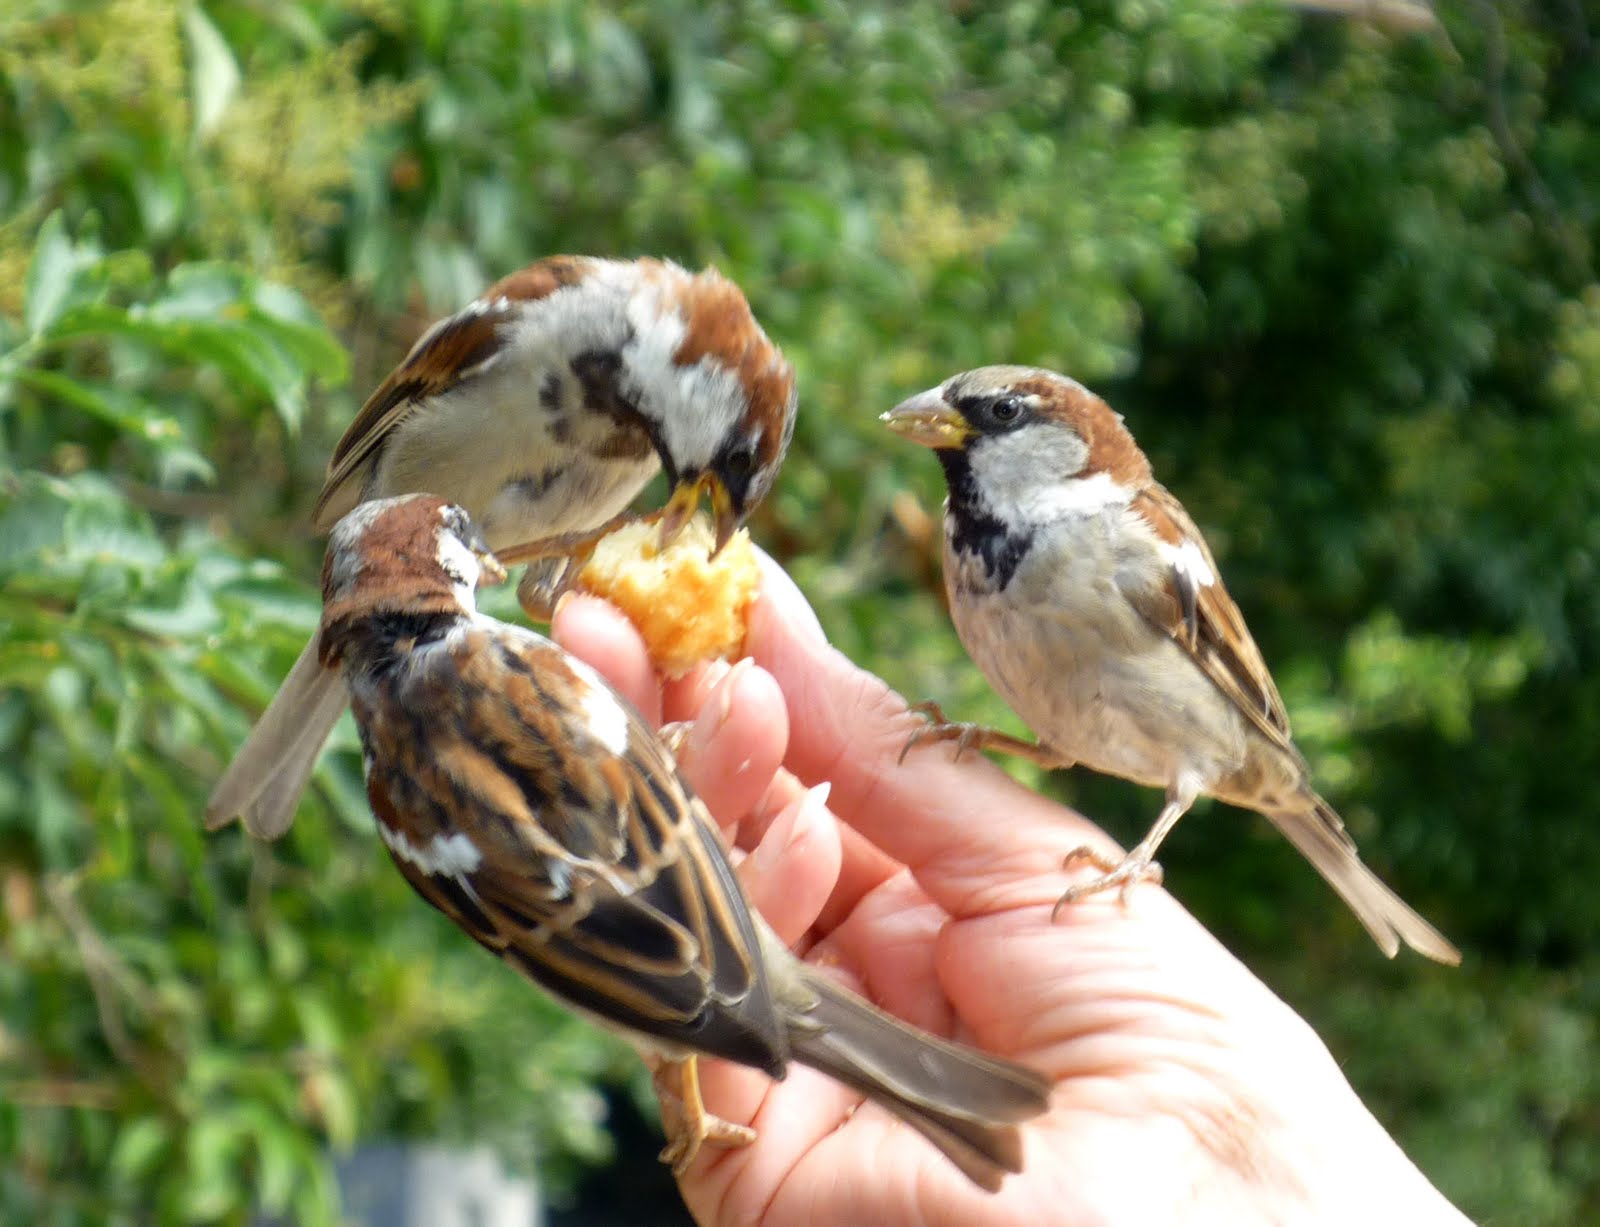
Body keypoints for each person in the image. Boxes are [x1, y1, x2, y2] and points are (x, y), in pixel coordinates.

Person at [551, 553, 1474, 1226]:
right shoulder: (977, 555)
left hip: (1213, 745)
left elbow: (1227, 671)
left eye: (992, 418)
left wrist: (1138, 856)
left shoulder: (1126, 540)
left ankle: (1209, 852)